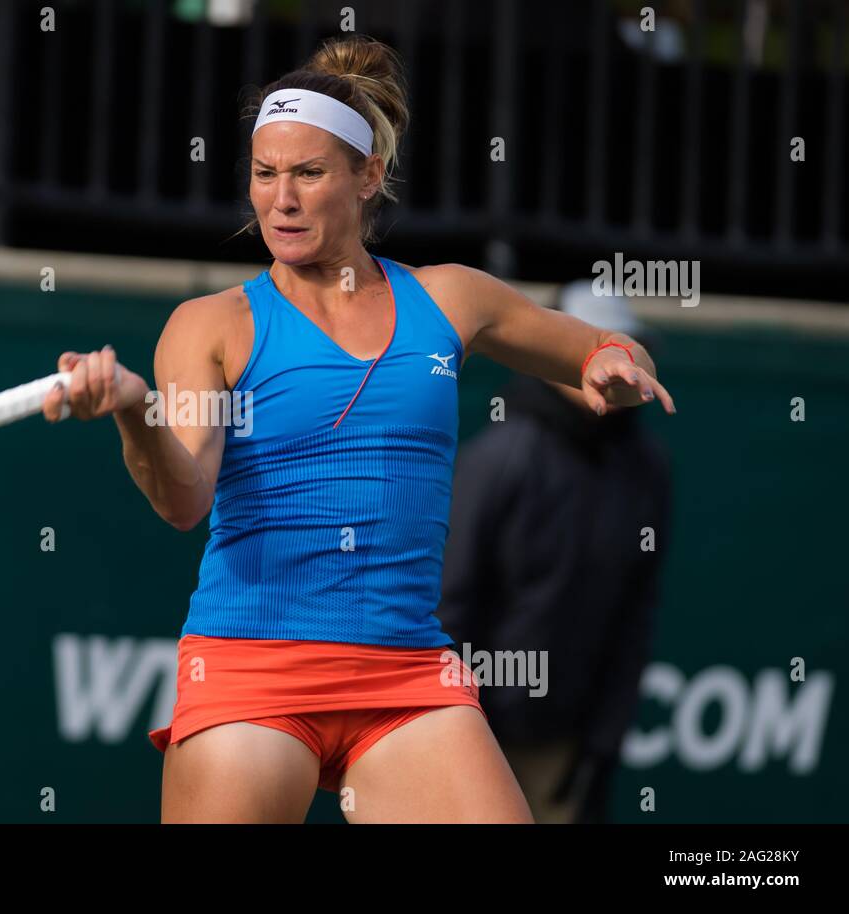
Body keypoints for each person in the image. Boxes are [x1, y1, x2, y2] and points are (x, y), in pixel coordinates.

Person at [41, 35, 675, 823]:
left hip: (407, 676)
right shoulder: (210, 326)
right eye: (265, 174)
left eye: (309, 173)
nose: (282, 199)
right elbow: (183, 499)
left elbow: (605, 348)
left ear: (368, 174)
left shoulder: (451, 299)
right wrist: (137, 411)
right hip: (253, 667)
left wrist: (611, 364)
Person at [438, 282, 673, 824]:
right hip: (474, 736)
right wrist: (458, 731)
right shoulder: (500, 460)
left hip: (566, 749)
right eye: (586, 349)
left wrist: (602, 743)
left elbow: (636, 612)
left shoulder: (647, 469)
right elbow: (451, 603)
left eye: (623, 350)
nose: (611, 369)